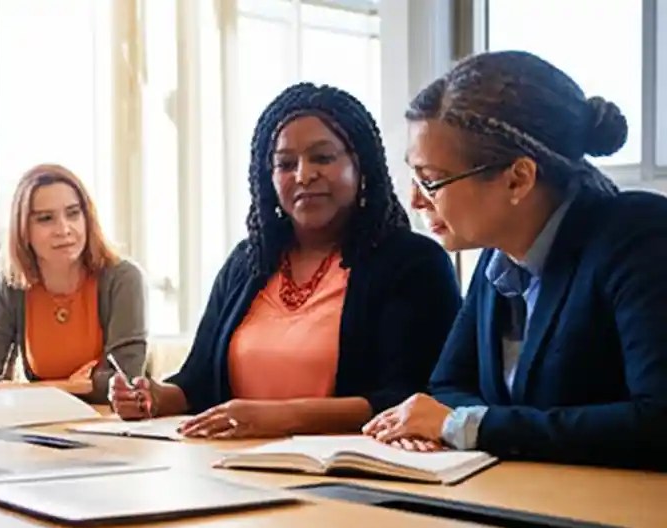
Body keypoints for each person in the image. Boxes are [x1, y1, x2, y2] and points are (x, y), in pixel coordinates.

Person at [363, 50, 667, 468]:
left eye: (431, 181)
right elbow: (448, 385)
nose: (415, 199)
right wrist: (455, 423)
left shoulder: (638, 235)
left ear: (517, 179)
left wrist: (467, 428)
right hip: (521, 498)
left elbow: (657, 420)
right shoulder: (498, 256)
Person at [109, 83, 462, 438]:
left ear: (361, 165)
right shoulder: (247, 261)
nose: (304, 175)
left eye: (322, 158)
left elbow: (409, 398)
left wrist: (280, 418)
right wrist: (153, 397)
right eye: (285, 163)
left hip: (352, 471)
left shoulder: (413, 263)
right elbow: (197, 383)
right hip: (232, 463)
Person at [0, 163, 147, 403]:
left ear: (87, 218)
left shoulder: (123, 279)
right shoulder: (8, 286)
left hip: (113, 426)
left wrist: (20, 389)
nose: (63, 229)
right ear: (23, 230)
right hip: (42, 426)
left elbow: (125, 382)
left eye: (73, 213)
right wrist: (74, 386)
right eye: (45, 219)